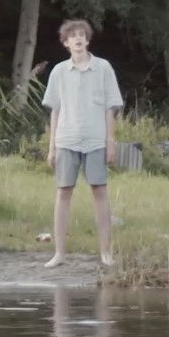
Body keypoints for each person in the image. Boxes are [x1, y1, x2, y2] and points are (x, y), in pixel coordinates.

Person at [39, 18, 123, 268]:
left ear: (87, 40)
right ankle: (59, 254)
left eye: (81, 35)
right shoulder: (59, 72)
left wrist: (111, 141)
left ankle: (106, 253)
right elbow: (55, 109)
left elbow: (111, 107)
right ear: (65, 43)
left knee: (100, 192)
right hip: (66, 139)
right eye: (72, 36)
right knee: (63, 192)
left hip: (96, 139)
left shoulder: (104, 68)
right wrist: (51, 146)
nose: (77, 39)